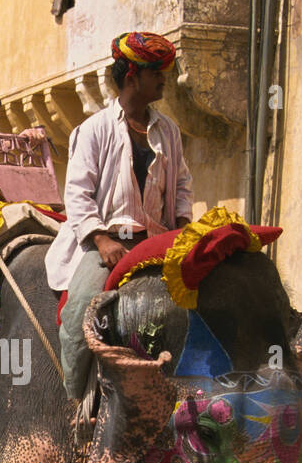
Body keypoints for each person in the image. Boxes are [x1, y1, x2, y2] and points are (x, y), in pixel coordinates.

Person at [44, 30, 194, 398]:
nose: (163, 80)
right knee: (80, 314)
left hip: (159, 242)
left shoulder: (168, 131)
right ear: (132, 76)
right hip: (108, 243)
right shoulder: (93, 129)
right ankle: (75, 402)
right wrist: (101, 239)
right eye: (156, 72)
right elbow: (77, 193)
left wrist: (186, 227)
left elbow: (183, 186)